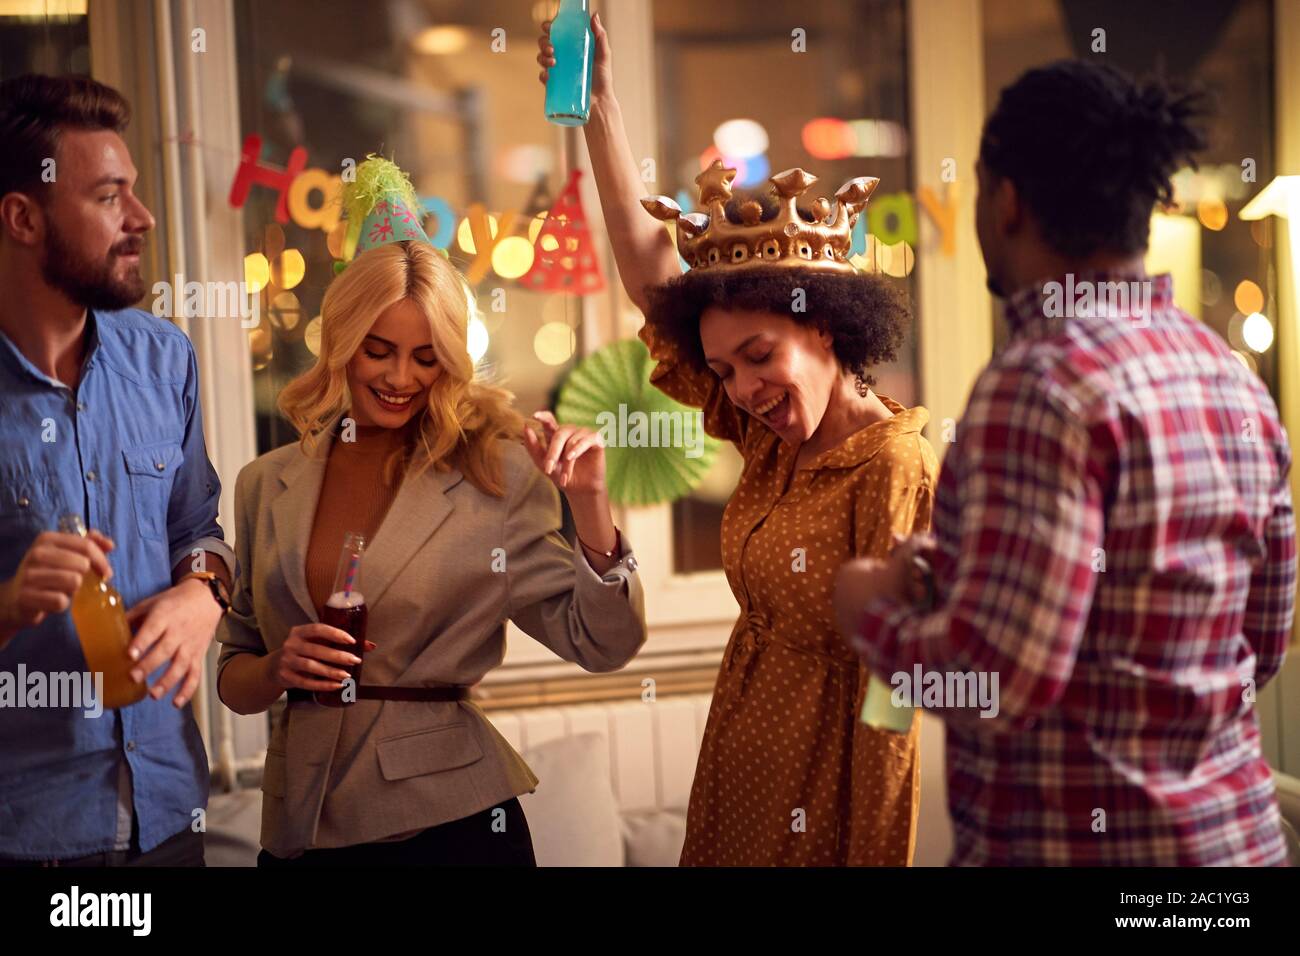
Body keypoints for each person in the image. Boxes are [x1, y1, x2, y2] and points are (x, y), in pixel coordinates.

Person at [835, 60, 1295, 866]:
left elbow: (996, 682)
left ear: (1006, 198)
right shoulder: (1231, 377)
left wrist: (868, 609)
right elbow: (1260, 641)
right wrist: (965, 579)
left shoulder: (1039, 382)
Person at [539, 17, 937, 865]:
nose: (743, 391)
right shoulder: (770, 441)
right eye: (721, 371)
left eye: (760, 356)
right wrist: (600, 105)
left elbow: (891, 701)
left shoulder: (894, 464)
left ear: (826, 327)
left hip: (822, 795)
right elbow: (654, 286)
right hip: (737, 771)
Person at [216, 157, 646, 865]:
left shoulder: (493, 473)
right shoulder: (266, 482)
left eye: (426, 357)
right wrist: (277, 670)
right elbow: (237, 669)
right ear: (342, 342)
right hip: (298, 829)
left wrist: (590, 504)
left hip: (449, 830)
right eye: (378, 351)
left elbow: (603, 645)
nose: (399, 378)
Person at [0, 74, 233, 866]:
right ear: (23, 216)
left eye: (132, 191)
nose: (143, 218)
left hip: (170, 815)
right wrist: (6, 605)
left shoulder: (163, 359)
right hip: (32, 832)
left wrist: (203, 593)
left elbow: (198, 531)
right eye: (108, 197)